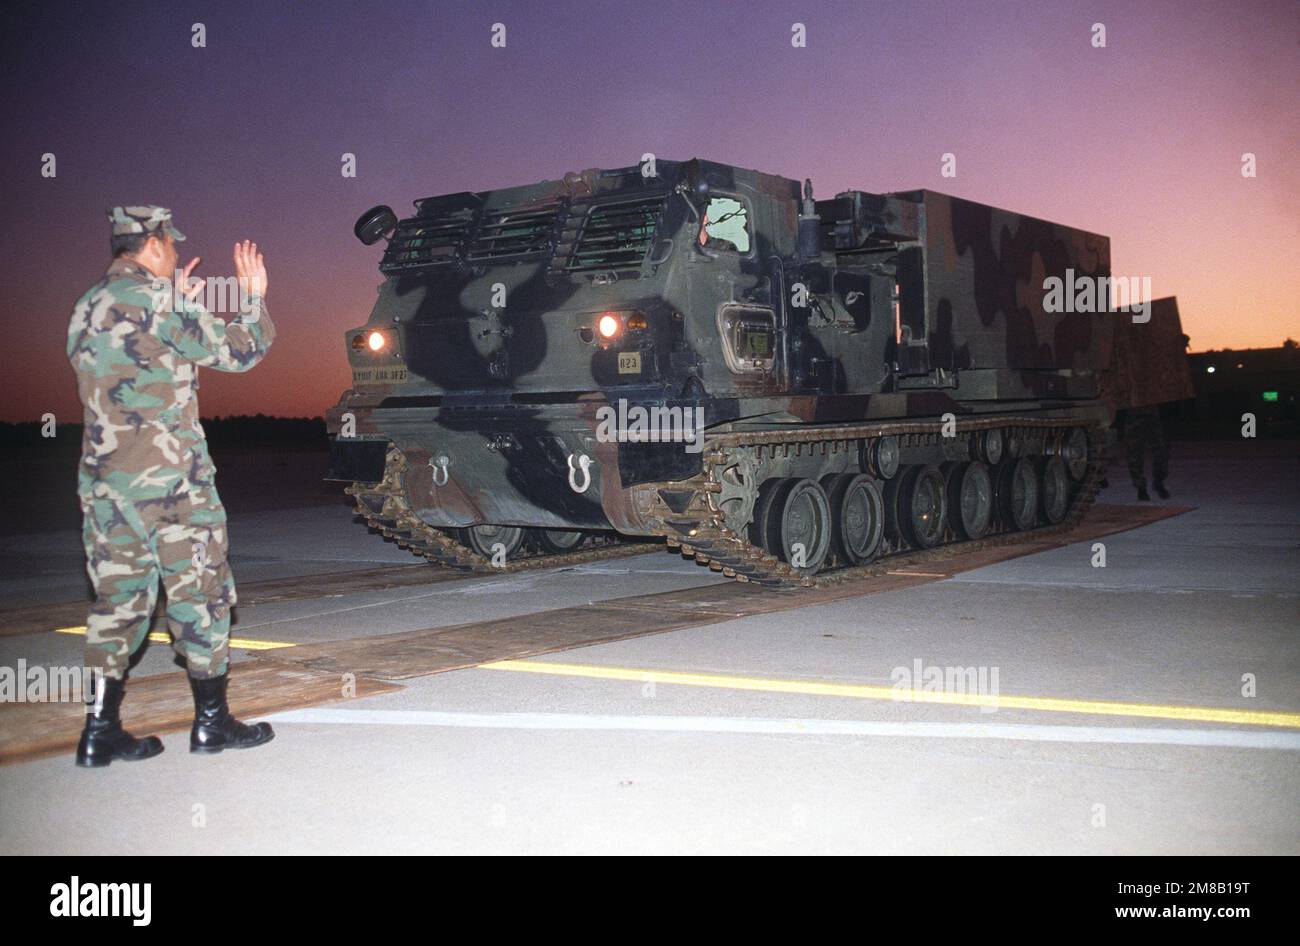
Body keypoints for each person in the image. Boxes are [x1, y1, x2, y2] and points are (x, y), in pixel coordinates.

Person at [67, 206, 277, 766]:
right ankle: (212, 725)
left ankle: (99, 731)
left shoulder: (87, 307)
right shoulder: (161, 302)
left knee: (117, 603)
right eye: (172, 245)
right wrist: (252, 298)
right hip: (171, 485)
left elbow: (134, 365)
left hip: (106, 488)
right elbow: (239, 351)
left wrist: (177, 302)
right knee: (200, 595)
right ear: (154, 244)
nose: (178, 255)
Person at [1123, 403, 1170, 501]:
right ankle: (1141, 487)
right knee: (1134, 453)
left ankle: (1158, 481)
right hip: (1134, 414)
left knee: (1161, 451)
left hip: (1152, 414)